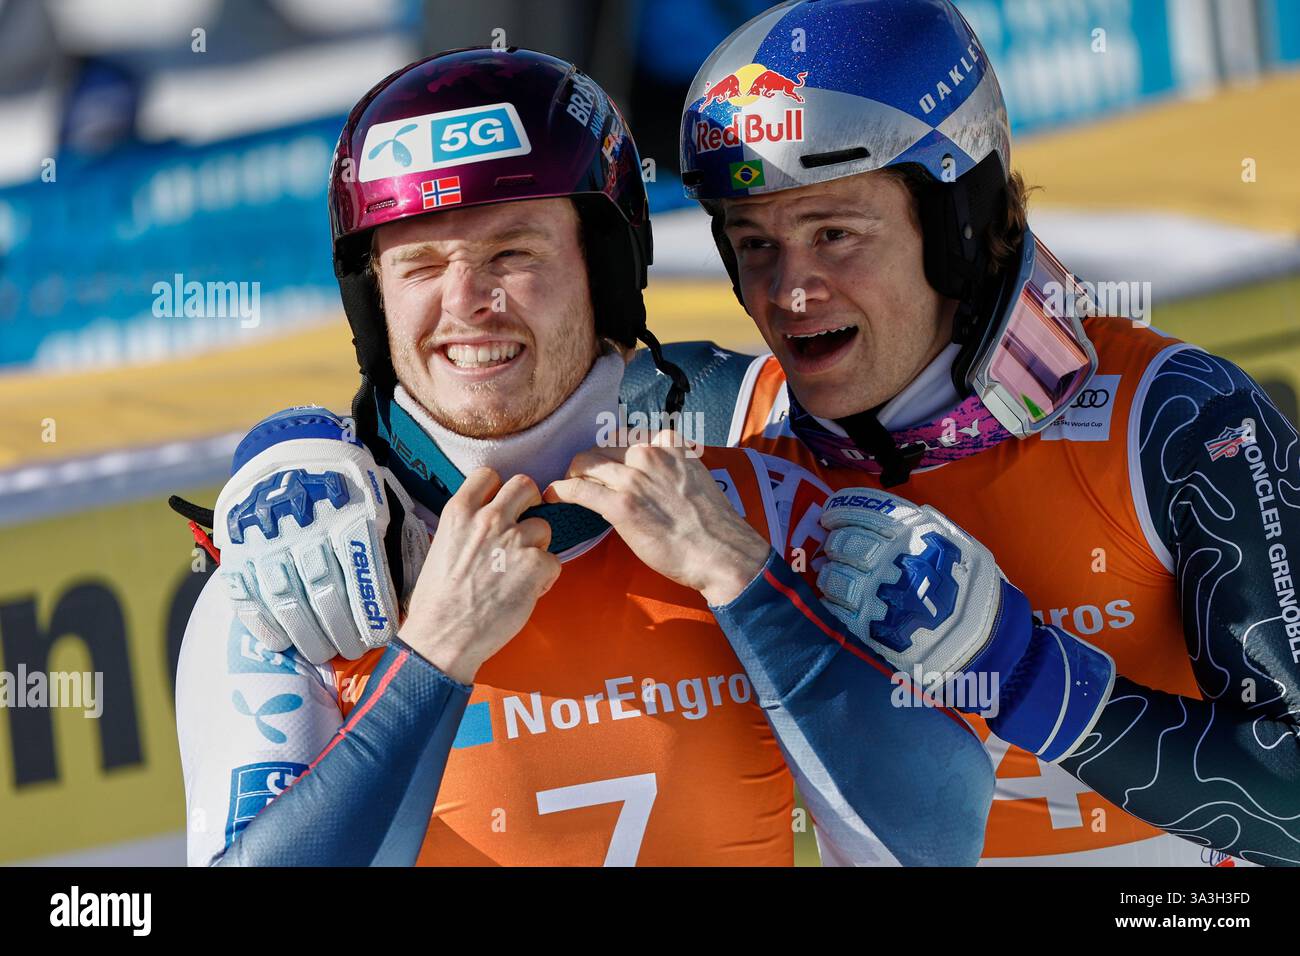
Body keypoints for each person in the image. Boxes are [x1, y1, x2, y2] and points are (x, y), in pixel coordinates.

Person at [173, 47, 1001, 867]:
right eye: (420, 264)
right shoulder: (304, 564)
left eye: (513, 254)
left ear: (604, 270)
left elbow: (934, 843)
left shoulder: (765, 509)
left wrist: (749, 586)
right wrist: (431, 657)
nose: (468, 303)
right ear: (372, 299)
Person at [649, 0, 1300, 866]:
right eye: (754, 244)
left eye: (835, 234)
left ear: (957, 224)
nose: (789, 292)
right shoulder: (723, 428)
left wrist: (1023, 671)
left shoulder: (1176, 415)